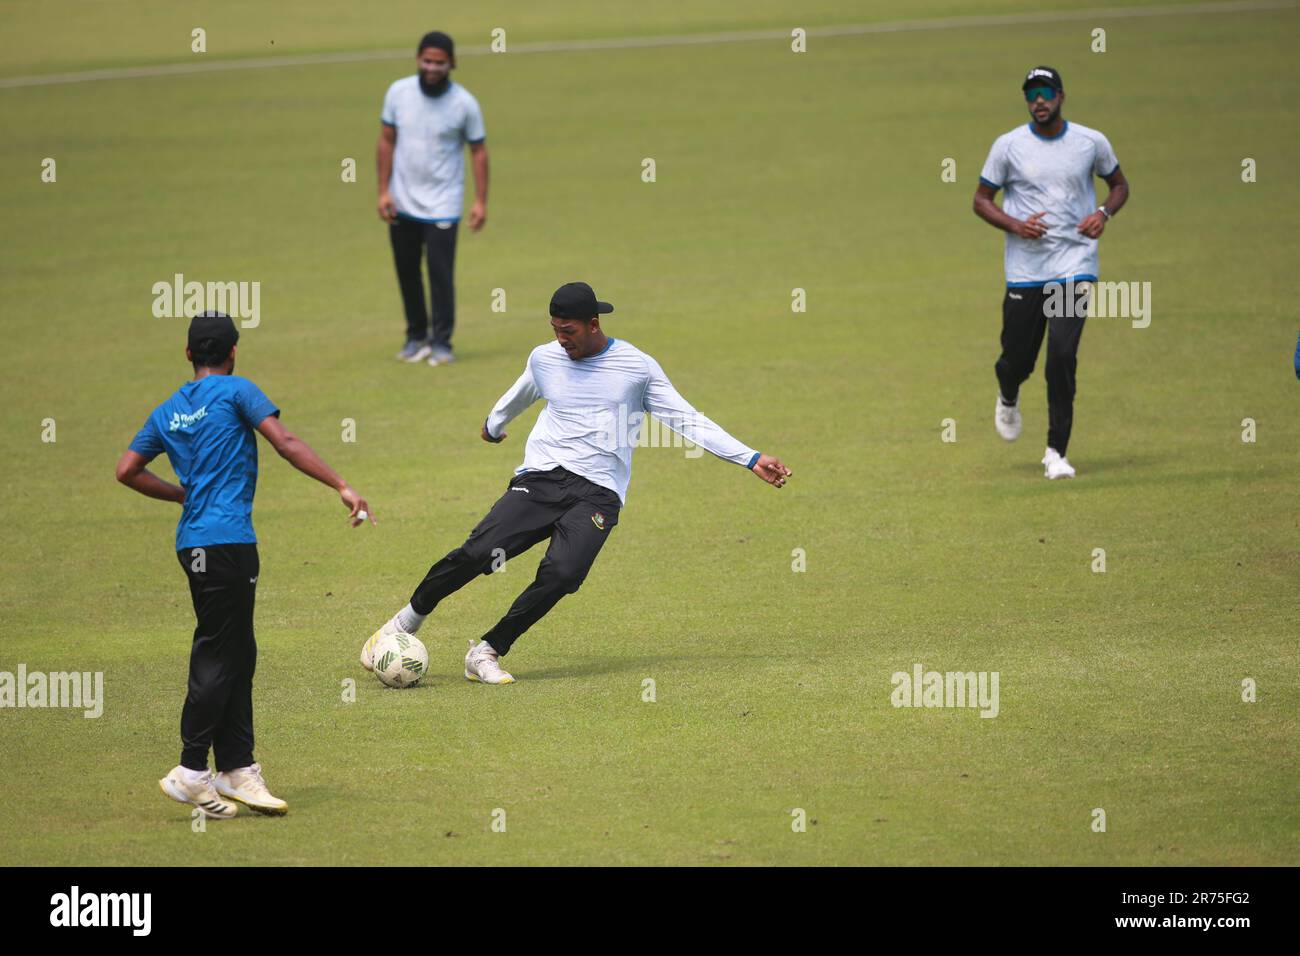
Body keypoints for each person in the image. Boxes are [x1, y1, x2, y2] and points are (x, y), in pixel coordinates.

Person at [360, 282, 792, 684]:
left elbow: (686, 419)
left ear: (593, 325)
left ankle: (488, 650)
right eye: (554, 330)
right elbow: (520, 394)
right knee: (479, 554)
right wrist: (494, 426)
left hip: (599, 493)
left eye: (568, 331)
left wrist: (750, 458)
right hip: (543, 477)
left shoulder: (636, 368)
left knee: (564, 573)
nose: (561, 339)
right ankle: (405, 621)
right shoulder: (545, 359)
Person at [116, 312, 374, 819]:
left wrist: (180, 495)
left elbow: (127, 470)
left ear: (188, 354)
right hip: (229, 543)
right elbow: (285, 442)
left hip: (192, 544)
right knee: (219, 652)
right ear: (233, 353)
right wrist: (341, 485)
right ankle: (191, 771)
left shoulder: (167, 410)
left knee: (236, 649)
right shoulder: (237, 391)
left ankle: (237, 768)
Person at [973, 66, 1130, 479]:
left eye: (1045, 92)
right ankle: (1008, 393)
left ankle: (1055, 452)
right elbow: (981, 199)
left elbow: (1119, 185)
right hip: (1026, 271)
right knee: (1017, 360)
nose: (1038, 100)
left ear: (1061, 96)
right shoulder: (1008, 146)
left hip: (1074, 265)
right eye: (1031, 94)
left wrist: (1103, 213)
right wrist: (1016, 225)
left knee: (1061, 355)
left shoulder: (1090, 142)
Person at [377, 30, 489, 367]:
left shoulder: (464, 103)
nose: (433, 68)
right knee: (407, 271)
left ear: (452, 63)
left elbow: (479, 152)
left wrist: (480, 200)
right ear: (417, 60)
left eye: (440, 63)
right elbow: (386, 140)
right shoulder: (398, 93)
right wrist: (383, 190)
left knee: (440, 275)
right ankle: (416, 337)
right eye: (427, 61)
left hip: (444, 202)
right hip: (403, 200)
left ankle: (442, 343)